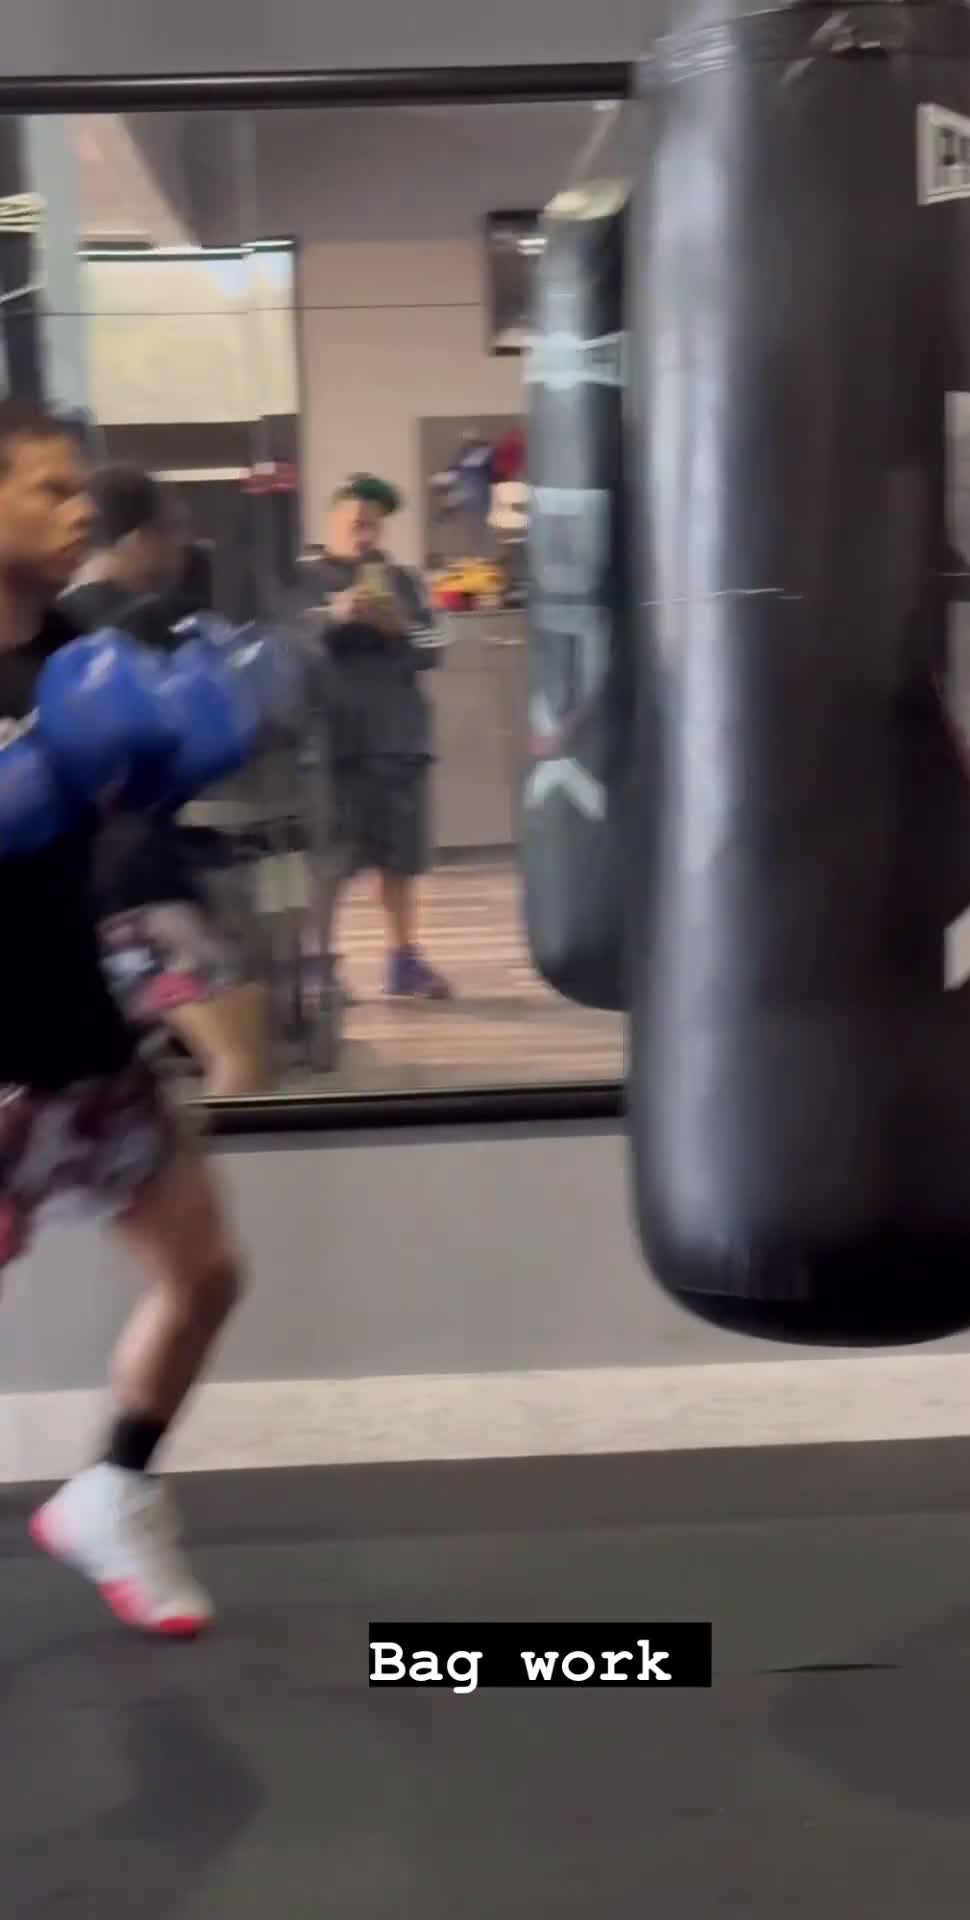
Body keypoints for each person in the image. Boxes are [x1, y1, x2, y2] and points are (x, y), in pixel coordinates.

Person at [0, 404, 243, 1636]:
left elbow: (128, 851)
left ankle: (112, 1493)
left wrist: (189, 976)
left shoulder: (87, 649)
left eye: (78, 489)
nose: (79, 509)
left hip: (76, 1039)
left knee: (204, 1274)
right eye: (47, 489)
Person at [62, 465, 268, 1098]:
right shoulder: (149, 624)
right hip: (136, 884)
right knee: (237, 1054)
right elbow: (198, 751)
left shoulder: (46, 626)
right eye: (172, 534)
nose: (179, 552)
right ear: (139, 538)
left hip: (76, 889)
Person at [302, 472, 452, 1000]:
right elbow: (287, 647)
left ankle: (405, 960)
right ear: (333, 523)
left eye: (373, 526)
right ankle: (320, 964)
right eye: (356, 524)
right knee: (330, 861)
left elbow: (435, 647)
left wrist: (397, 629)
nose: (365, 536)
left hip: (397, 741)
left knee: (400, 859)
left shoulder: (404, 580)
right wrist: (332, 618)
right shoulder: (305, 579)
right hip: (333, 744)